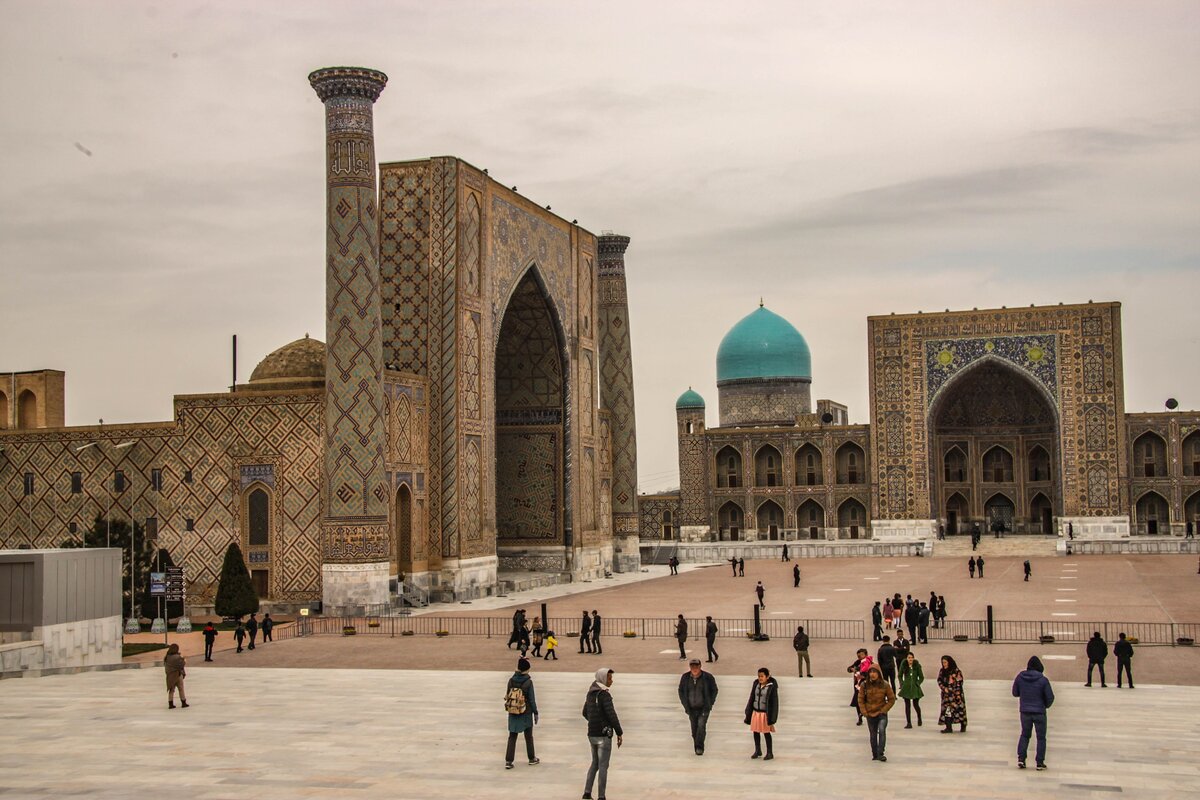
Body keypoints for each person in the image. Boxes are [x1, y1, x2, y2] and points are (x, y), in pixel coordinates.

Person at [582, 667, 622, 800]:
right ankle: (601, 796)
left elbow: (584, 712)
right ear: (603, 679)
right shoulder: (604, 695)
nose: (611, 681)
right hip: (603, 736)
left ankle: (587, 793)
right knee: (603, 766)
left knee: (595, 763)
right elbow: (612, 715)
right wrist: (619, 732)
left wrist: (594, 721)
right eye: (609, 678)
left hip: (591, 734)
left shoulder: (590, 693)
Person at [1012, 655, 1054, 770]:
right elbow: (1050, 697)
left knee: (1025, 735)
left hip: (1025, 711)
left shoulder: (1020, 677)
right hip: (1040, 712)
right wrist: (1045, 706)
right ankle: (1039, 762)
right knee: (1041, 738)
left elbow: (1015, 693)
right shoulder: (1043, 680)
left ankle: (1021, 759)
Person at [678, 658, 719, 755]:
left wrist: (710, 703)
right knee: (694, 729)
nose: (694, 668)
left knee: (701, 725)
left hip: (703, 708)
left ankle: (699, 747)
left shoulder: (707, 677)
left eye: (696, 666)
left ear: (700, 667)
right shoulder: (685, 677)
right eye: (692, 666)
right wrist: (685, 705)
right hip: (691, 708)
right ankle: (697, 744)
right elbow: (681, 691)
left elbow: (714, 690)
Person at [504, 658, 540, 769]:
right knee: (528, 736)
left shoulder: (511, 680)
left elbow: (507, 695)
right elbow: (532, 699)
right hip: (525, 711)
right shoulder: (528, 682)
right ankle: (531, 758)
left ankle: (509, 761)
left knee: (512, 736)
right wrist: (535, 712)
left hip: (513, 711)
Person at [857, 664, 896, 762]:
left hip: (881, 713)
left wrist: (884, 710)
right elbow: (860, 700)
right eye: (871, 672)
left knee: (882, 730)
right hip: (870, 713)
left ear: (879, 673)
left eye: (874, 672)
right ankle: (875, 753)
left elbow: (891, 699)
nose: (872, 674)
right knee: (873, 734)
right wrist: (864, 712)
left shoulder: (885, 684)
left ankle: (881, 753)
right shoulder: (864, 685)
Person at [744, 667, 779, 760]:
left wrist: (772, 717)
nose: (760, 678)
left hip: (765, 713)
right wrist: (748, 710)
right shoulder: (756, 684)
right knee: (755, 731)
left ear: (767, 677)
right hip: (756, 712)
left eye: (762, 676)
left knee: (766, 733)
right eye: (759, 676)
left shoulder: (771, 687)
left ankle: (769, 752)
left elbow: (774, 703)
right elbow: (752, 697)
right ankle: (758, 750)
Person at [937, 655, 967, 733]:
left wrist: (953, 691)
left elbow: (959, 683)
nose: (944, 664)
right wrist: (944, 688)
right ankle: (948, 727)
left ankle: (963, 726)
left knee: (959, 710)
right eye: (943, 662)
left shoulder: (956, 671)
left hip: (956, 695)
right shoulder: (942, 671)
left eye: (945, 662)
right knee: (947, 711)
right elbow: (939, 680)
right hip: (946, 696)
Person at [847, 648, 873, 726]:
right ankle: (860, 717)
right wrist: (851, 669)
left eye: (861, 655)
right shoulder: (858, 662)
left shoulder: (870, 663)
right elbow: (849, 669)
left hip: (867, 685)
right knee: (858, 701)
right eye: (858, 655)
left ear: (866, 654)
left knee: (868, 701)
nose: (860, 656)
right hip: (857, 685)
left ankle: (869, 716)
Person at [898, 652, 924, 728]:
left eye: (911, 657)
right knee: (907, 705)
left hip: (915, 688)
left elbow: (921, 677)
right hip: (906, 688)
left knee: (916, 704)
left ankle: (919, 718)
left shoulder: (917, 666)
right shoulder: (904, 665)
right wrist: (902, 683)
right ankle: (909, 722)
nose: (910, 659)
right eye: (909, 657)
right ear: (906, 658)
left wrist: (918, 683)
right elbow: (899, 675)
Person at [163, 643, 189, 709]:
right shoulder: (177, 657)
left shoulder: (167, 657)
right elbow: (181, 664)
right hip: (178, 675)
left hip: (170, 676)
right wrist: (184, 660)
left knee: (171, 690)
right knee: (181, 689)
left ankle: (170, 704)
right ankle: (183, 702)